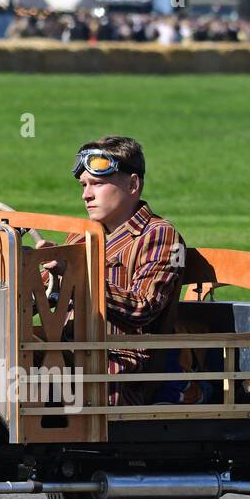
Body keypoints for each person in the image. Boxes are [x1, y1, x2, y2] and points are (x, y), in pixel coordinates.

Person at [38, 137, 190, 406]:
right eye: (84, 185)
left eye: (97, 184)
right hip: (70, 354)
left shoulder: (158, 235)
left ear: (133, 184)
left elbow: (143, 308)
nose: (86, 194)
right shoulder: (81, 235)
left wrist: (75, 275)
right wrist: (27, 270)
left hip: (118, 368)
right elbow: (42, 294)